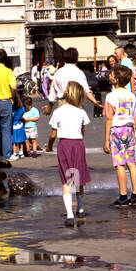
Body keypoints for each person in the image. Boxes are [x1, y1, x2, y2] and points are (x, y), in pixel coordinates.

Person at [46, 81, 92, 226]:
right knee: (78, 177)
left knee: (66, 179)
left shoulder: (58, 111)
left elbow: (53, 133)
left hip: (64, 144)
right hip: (78, 144)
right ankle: (81, 208)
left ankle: (70, 215)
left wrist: (49, 146)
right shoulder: (81, 112)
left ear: (67, 93)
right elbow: (83, 130)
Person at [103, 65, 136, 207]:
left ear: (116, 79)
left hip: (116, 130)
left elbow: (108, 118)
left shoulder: (110, 96)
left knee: (119, 164)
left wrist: (106, 140)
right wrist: (134, 128)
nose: (109, 76)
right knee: (131, 162)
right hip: (129, 129)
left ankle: (123, 195)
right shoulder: (131, 95)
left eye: (111, 74)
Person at [46, 47, 92, 116]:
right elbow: (86, 90)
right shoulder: (79, 73)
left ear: (65, 59)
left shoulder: (59, 72)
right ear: (77, 58)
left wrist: (50, 107)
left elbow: (53, 93)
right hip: (77, 104)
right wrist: (94, 102)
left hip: (62, 104)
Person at [9, 97, 26, 161]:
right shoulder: (22, 108)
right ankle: (21, 153)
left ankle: (15, 153)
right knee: (21, 140)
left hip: (14, 124)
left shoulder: (13, 109)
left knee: (14, 141)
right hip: (20, 124)